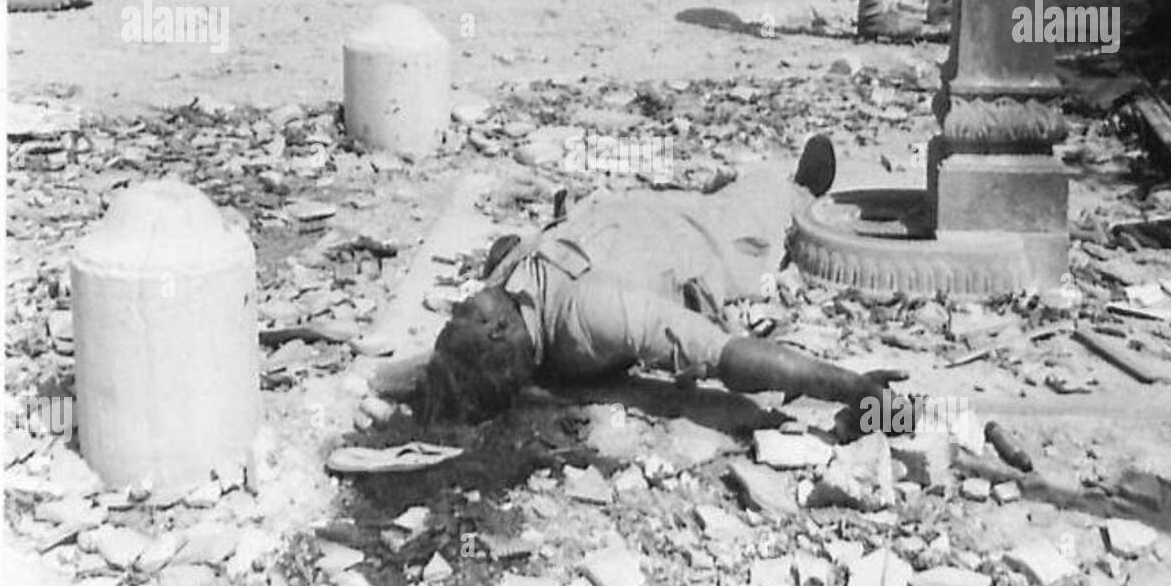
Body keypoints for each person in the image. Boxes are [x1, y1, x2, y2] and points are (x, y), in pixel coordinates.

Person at [374, 136, 908, 433]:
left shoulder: (510, 300)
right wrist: (849, 386)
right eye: (462, 312)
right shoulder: (593, 314)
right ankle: (799, 192)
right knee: (765, 199)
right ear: (494, 331)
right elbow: (725, 357)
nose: (463, 301)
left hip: (628, 218)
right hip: (700, 237)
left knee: (721, 185)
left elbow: (425, 371)